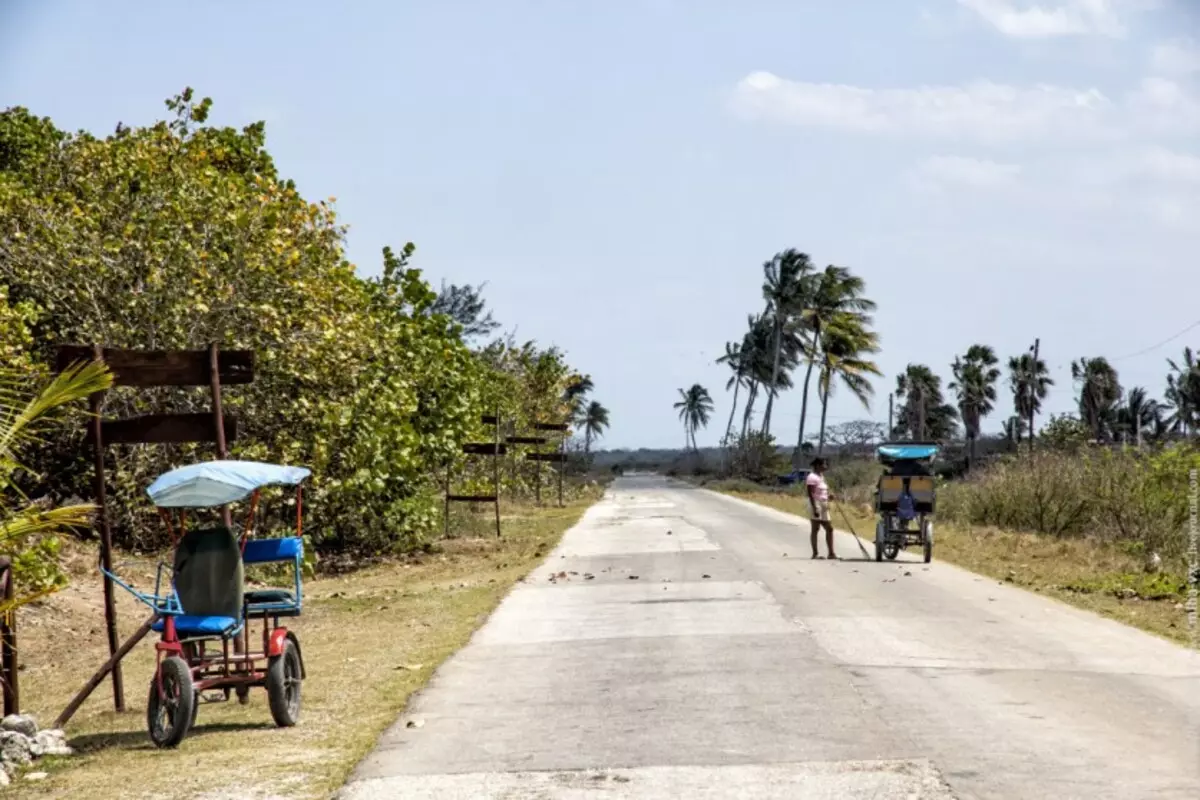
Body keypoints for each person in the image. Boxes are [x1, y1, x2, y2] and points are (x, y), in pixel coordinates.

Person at [805, 457, 837, 559]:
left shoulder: (821, 476)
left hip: (824, 503)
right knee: (815, 528)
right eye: (824, 464)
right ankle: (815, 553)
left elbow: (821, 491)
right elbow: (810, 494)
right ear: (818, 465)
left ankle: (831, 553)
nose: (825, 466)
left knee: (830, 529)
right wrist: (815, 508)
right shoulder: (811, 477)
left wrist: (829, 497)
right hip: (816, 504)